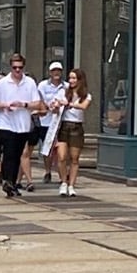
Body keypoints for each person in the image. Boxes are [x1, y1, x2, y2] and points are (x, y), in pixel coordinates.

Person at [0, 54, 45, 197]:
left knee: (17, 154)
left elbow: (37, 103)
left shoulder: (30, 82)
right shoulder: (3, 83)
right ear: (11, 67)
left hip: (23, 124)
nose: (17, 71)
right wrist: (5, 105)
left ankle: (12, 182)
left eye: (20, 68)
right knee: (9, 152)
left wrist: (24, 104)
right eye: (15, 68)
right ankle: (7, 180)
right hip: (6, 124)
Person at [55, 67, 93, 197]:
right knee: (61, 156)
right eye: (70, 78)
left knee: (74, 158)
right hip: (64, 125)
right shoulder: (63, 92)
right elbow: (56, 105)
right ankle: (63, 182)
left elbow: (84, 106)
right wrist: (57, 105)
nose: (71, 81)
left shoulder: (85, 95)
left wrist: (70, 104)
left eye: (74, 78)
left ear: (80, 80)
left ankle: (71, 185)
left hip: (76, 127)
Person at [36, 61, 68, 185]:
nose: (56, 73)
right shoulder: (43, 85)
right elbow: (39, 99)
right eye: (54, 71)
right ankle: (48, 171)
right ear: (50, 72)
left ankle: (62, 175)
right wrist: (48, 107)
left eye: (58, 71)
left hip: (60, 121)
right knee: (47, 148)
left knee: (60, 149)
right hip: (46, 121)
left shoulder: (66, 86)